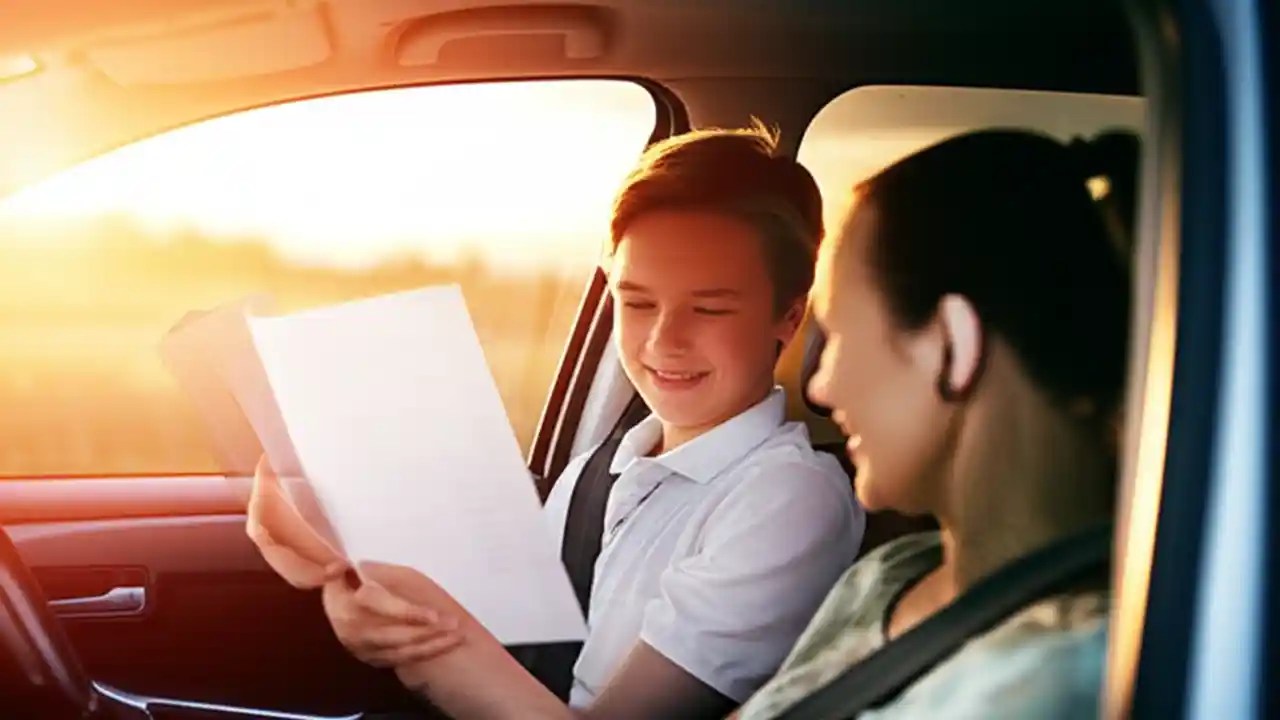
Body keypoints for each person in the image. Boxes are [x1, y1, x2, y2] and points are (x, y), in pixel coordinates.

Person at [246, 124, 865, 719]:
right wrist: (357, 593)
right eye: (637, 301)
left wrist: (428, 648)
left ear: (787, 319)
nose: (662, 339)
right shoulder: (603, 465)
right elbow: (519, 650)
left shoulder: (787, 498)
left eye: (708, 309)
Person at [734, 128, 1136, 718]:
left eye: (839, 336)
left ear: (951, 346)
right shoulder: (886, 575)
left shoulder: (1057, 679)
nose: (820, 386)